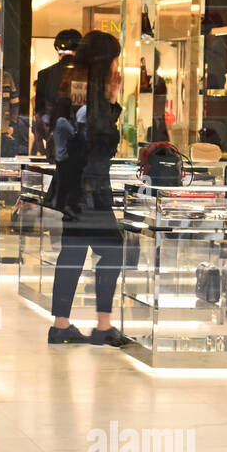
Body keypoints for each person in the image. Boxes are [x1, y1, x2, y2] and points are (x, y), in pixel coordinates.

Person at [47, 30, 132, 348]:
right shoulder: (93, 101)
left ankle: (63, 325)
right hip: (89, 191)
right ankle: (101, 325)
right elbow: (99, 146)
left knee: (72, 253)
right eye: (114, 60)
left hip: (74, 190)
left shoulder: (74, 91)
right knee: (113, 250)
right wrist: (113, 101)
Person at [34, 28, 82, 157]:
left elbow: (39, 112)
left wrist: (50, 133)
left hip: (54, 142)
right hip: (82, 144)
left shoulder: (45, 75)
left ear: (56, 48)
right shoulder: (88, 75)